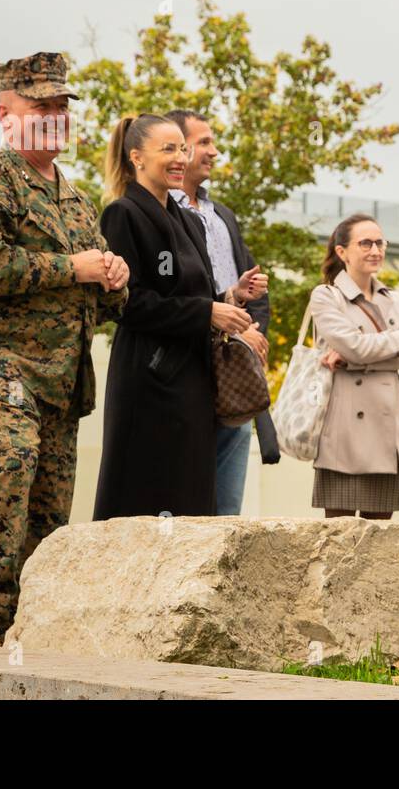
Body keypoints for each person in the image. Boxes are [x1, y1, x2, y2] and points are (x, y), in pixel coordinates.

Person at [0, 51, 130, 645]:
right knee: (8, 463)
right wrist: (74, 267)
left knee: (47, 514)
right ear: (5, 114)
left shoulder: (76, 200)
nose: (54, 117)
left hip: (57, 380)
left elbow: (93, 296)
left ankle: (26, 624)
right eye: (39, 106)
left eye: (60, 107)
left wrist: (115, 278)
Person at [95, 114, 261, 519]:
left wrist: (231, 296)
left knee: (191, 506)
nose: (180, 158)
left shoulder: (188, 219)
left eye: (181, 149)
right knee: (145, 506)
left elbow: (193, 293)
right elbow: (129, 305)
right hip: (149, 382)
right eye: (167, 149)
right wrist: (207, 311)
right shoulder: (123, 215)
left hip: (193, 381)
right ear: (137, 157)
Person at [165, 109, 271, 515]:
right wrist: (223, 326)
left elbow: (253, 286)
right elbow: (177, 294)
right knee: (185, 503)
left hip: (234, 370)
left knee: (227, 508)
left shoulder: (224, 214)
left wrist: (251, 334)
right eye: (205, 142)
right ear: (179, 148)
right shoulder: (162, 212)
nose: (214, 151)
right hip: (188, 365)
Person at [310, 214, 399, 518]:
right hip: (345, 433)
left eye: (379, 242)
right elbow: (358, 347)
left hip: (388, 432)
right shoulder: (326, 296)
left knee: (379, 543)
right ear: (342, 252)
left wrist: (353, 358)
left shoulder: (393, 298)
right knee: (339, 540)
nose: (375, 250)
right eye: (365, 243)